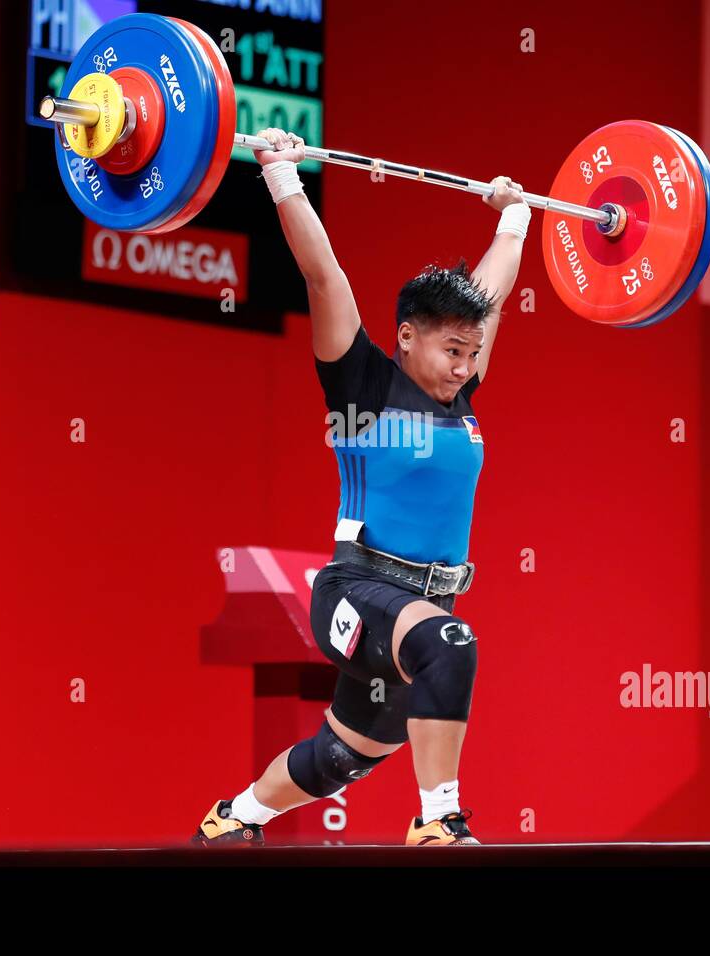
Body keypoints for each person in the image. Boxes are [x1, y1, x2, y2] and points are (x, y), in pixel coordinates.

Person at [193, 127, 529, 846]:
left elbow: (493, 295)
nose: (465, 366)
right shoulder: (364, 384)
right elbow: (324, 277)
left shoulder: (462, 393)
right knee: (452, 644)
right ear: (406, 336)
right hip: (358, 590)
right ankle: (437, 820)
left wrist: (515, 215)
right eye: (452, 350)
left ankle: (234, 819)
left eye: (473, 353)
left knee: (341, 757)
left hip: (419, 607)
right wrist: (282, 175)